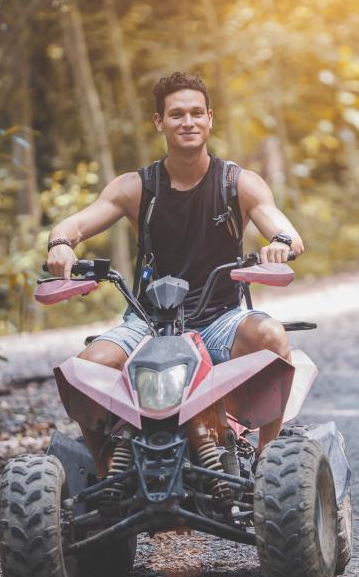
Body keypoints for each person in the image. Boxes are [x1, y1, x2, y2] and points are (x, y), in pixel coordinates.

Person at [45, 72, 303, 472]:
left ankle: (268, 461)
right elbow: (74, 225)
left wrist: (279, 244)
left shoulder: (238, 183)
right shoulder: (137, 187)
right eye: (177, 114)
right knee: (87, 368)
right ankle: (106, 474)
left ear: (210, 118)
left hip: (219, 319)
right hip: (148, 322)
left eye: (197, 113)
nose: (188, 122)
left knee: (270, 334)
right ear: (159, 122)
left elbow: (285, 231)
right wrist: (60, 244)